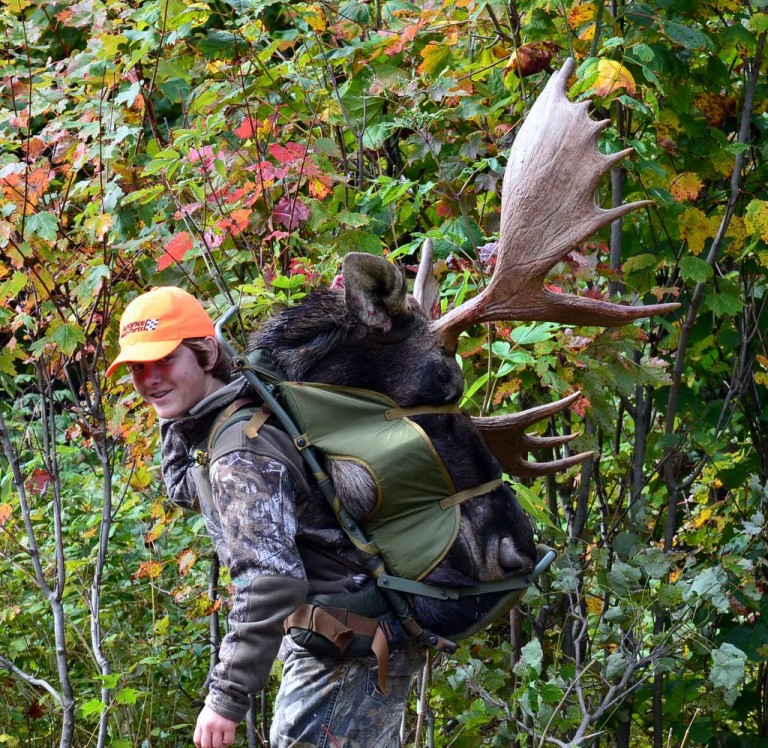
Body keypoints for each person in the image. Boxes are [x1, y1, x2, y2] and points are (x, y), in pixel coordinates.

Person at [107, 286, 425, 748]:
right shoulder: (241, 411)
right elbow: (183, 489)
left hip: (345, 647)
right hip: (353, 632)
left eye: (165, 361)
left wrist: (225, 700)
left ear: (206, 352)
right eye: (138, 368)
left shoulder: (238, 450)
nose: (150, 379)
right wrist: (173, 409)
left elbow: (271, 581)